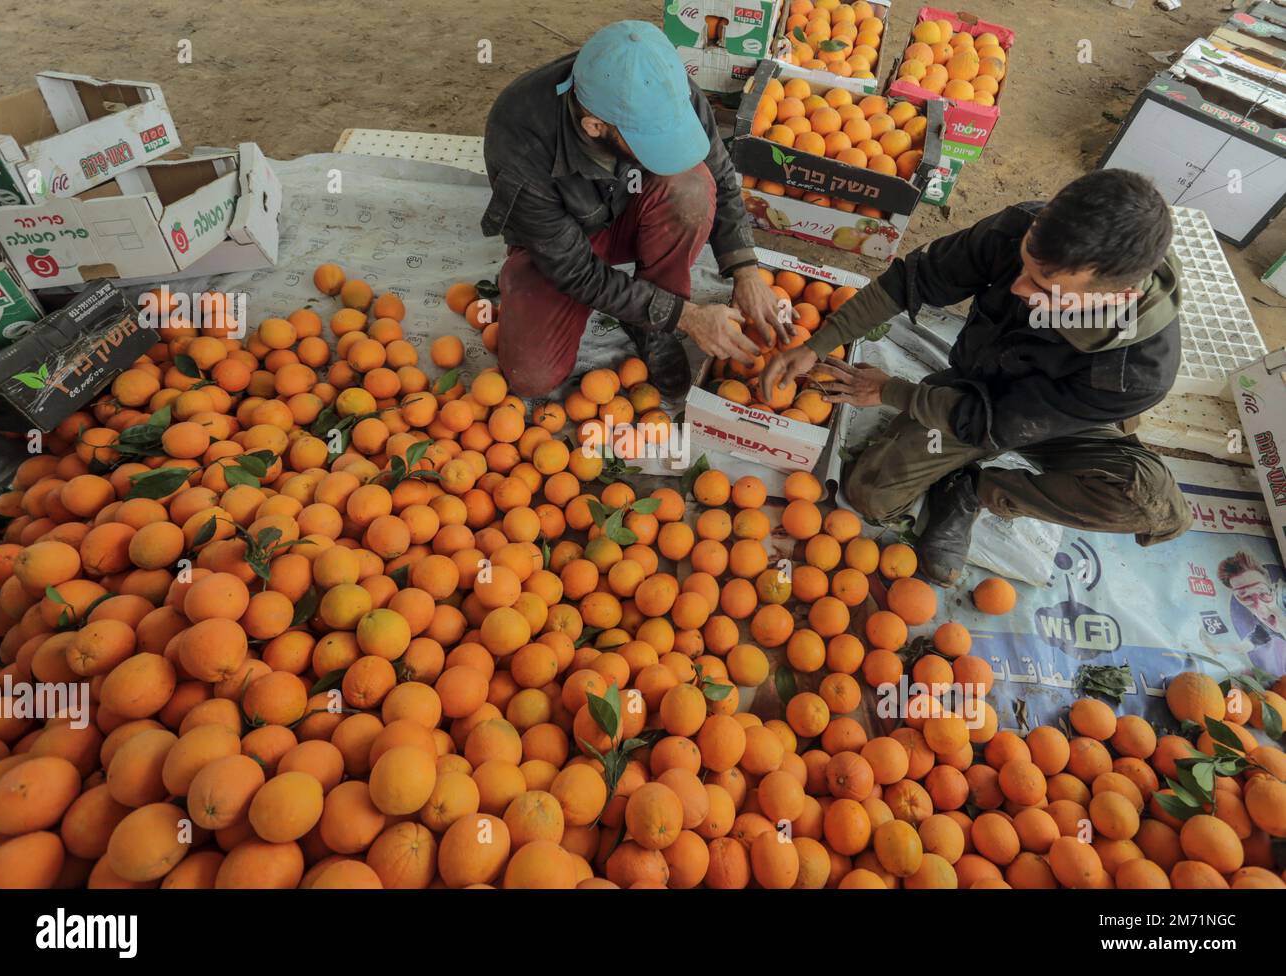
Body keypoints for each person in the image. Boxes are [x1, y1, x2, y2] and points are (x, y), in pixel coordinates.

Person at [762, 169, 1192, 587]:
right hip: (976, 391)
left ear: (1119, 297)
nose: (1020, 289)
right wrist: (817, 344)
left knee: (1151, 504)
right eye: (1023, 264)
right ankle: (953, 470)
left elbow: (996, 425)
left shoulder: (1137, 372)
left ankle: (976, 490)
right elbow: (915, 278)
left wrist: (890, 391)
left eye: (1045, 288)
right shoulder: (1021, 228)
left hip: (1059, 419)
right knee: (872, 496)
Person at [482, 20, 789, 399]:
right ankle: (654, 309)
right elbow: (575, 271)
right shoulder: (518, 137)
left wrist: (745, 270)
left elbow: (720, 175)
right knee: (532, 378)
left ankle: (651, 323)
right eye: (649, 141)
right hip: (562, 244)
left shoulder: (659, 85)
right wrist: (687, 316)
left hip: (636, 210)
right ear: (594, 126)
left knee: (691, 186)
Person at [1218, 551, 1286, 677]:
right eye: (1245, 597)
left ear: (1272, 587)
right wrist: (1221, 648)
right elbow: (1253, 640)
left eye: (1262, 592)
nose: (1258, 605)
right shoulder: (1266, 624)